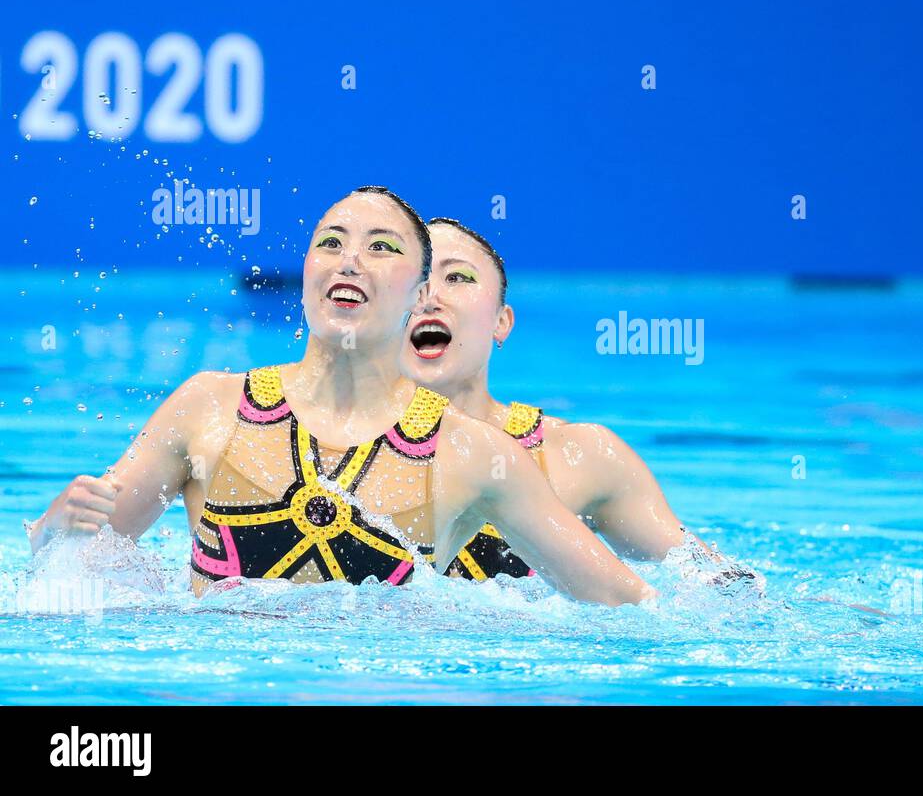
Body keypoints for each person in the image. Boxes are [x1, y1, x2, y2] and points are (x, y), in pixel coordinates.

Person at [27, 188, 654, 607]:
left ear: (419, 297)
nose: (350, 259)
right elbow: (66, 575)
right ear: (305, 276)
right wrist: (55, 528)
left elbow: (636, 615)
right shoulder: (207, 407)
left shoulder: (475, 454)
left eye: (382, 247)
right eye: (330, 242)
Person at [401, 218, 727, 581]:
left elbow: (717, 586)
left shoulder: (583, 457)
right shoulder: (329, 452)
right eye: (415, 280)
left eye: (457, 278)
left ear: (501, 322)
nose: (429, 298)